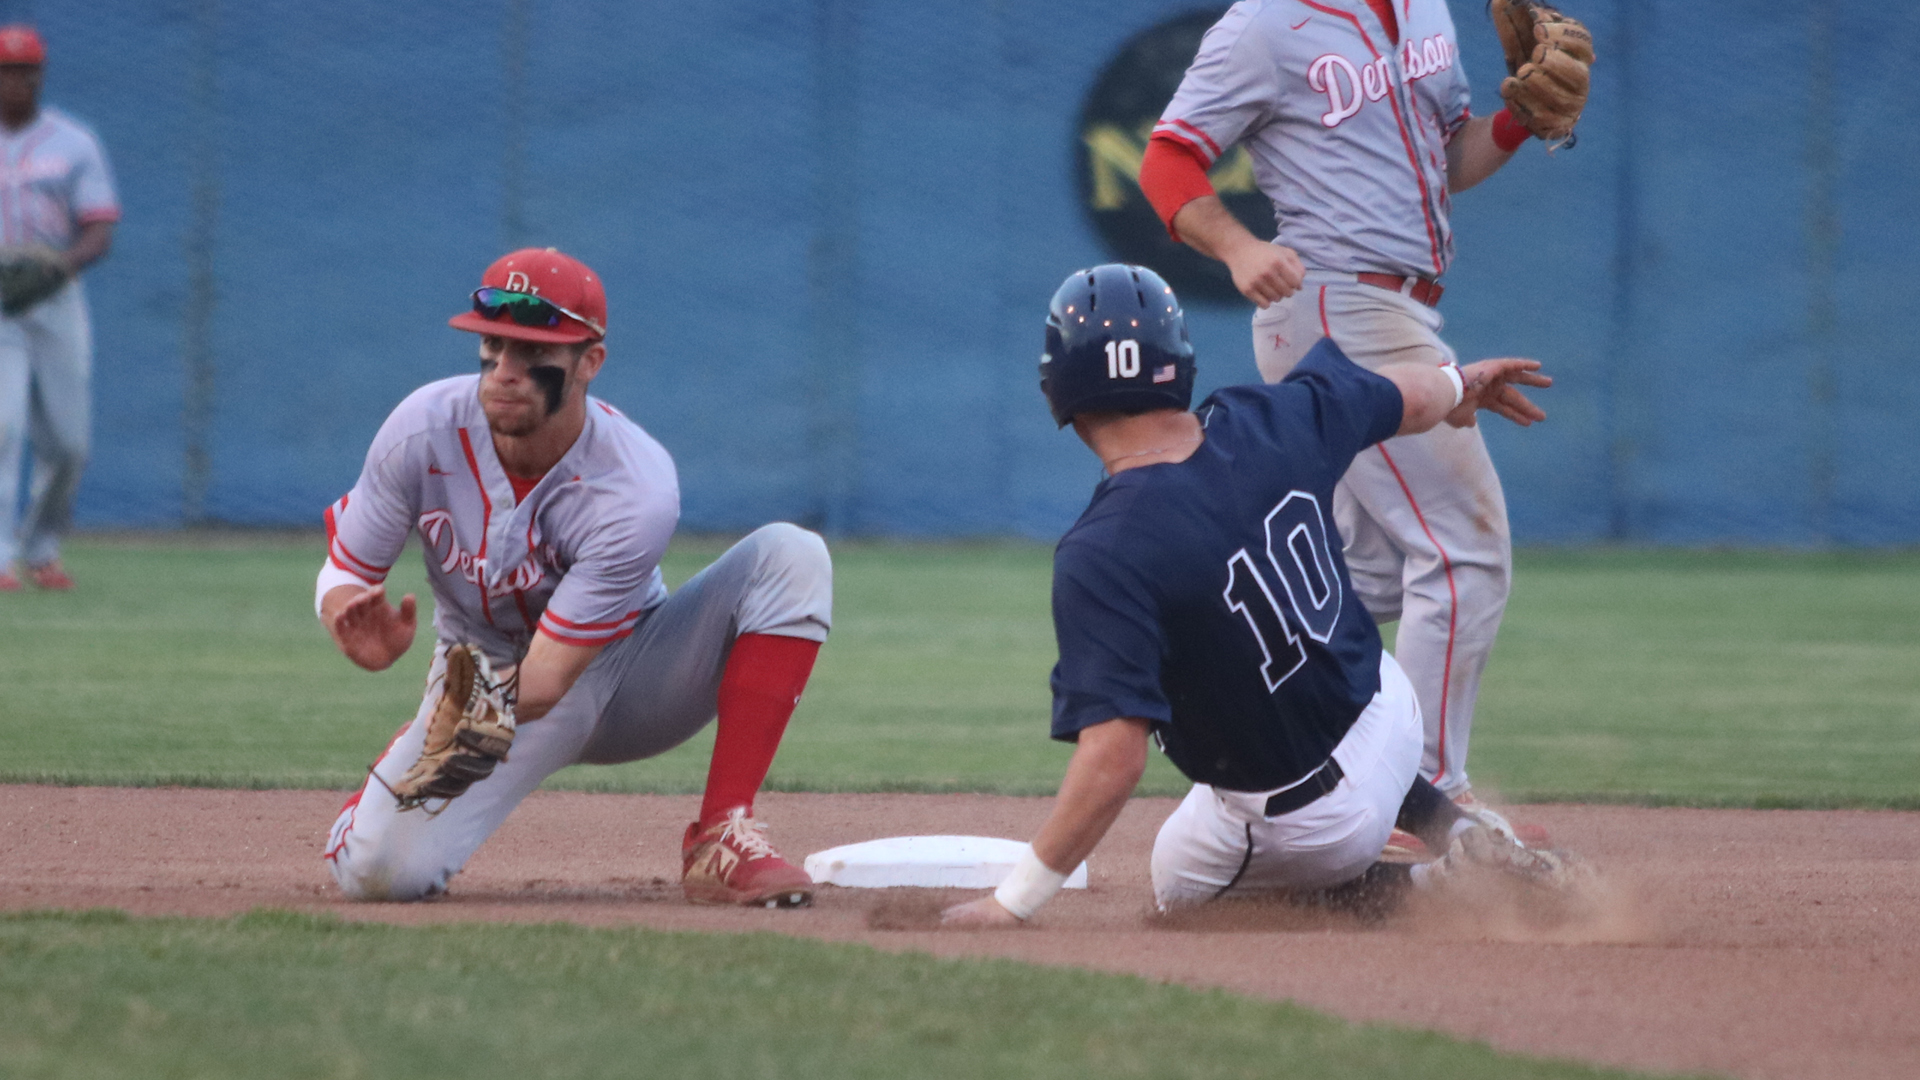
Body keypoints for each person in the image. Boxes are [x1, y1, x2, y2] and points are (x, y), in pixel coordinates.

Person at [943, 265, 1564, 927]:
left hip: (1318, 819)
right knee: (1316, 700)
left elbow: (1114, 758)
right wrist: (1458, 382)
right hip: (1393, 716)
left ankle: (1431, 888)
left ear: (1059, 387)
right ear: (1177, 361)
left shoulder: (1103, 550)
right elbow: (1404, 397)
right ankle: (1458, 830)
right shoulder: (1267, 414)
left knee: (1178, 885)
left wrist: (1013, 902)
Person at [1136, 0, 1571, 830]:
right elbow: (1168, 161)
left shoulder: (1426, 10)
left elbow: (1446, 162)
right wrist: (1240, 248)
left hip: (1401, 307)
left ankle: (1244, 722)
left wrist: (1514, 125)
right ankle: (1431, 808)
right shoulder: (1264, 26)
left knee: (1356, 578)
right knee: (1460, 550)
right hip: (1339, 306)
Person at [319, 247, 831, 907]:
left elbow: (549, 680)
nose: (506, 371)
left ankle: (722, 834)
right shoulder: (421, 431)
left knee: (793, 555)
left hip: (633, 669)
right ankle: (369, 815)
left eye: (535, 355)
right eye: (495, 346)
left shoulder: (633, 486)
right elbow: (347, 568)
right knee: (378, 875)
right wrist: (344, 616)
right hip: (477, 678)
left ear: (591, 362)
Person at [0, 25, 118, 591]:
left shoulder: (73, 141)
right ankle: (1, 556)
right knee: (2, 426)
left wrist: (59, 265)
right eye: (6, 70)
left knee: (69, 443)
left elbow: (99, 227)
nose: (16, 80)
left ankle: (42, 547)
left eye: (26, 70)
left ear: (40, 75)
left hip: (54, 295)